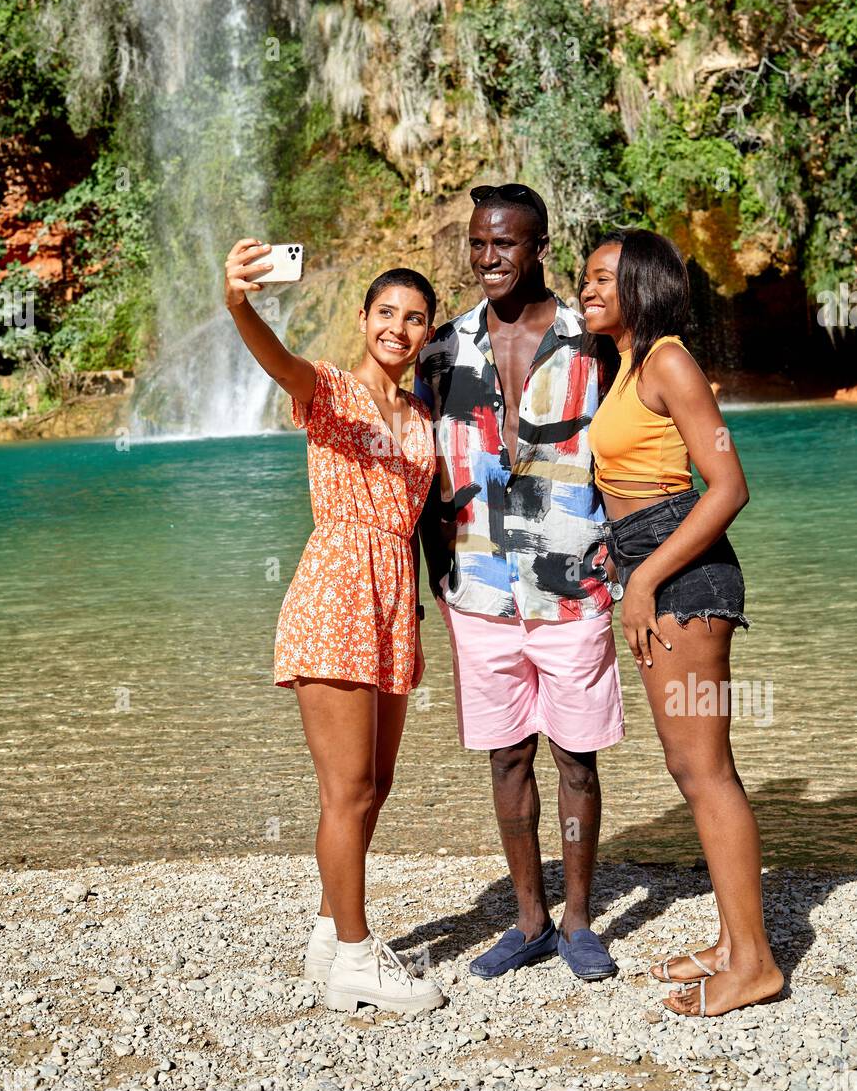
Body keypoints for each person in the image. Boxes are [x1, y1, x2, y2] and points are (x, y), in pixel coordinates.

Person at [224, 238, 444, 1014]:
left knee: (374, 785)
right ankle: (356, 961)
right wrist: (240, 304)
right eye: (387, 312)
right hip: (337, 593)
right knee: (346, 792)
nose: (399, 327)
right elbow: (275, 359)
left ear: (427, 333)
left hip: (392, 602)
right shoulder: (331, 390)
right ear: (364, 318)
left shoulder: (421, 414)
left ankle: (328, 933)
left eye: (415, 318)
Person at [415, 184, 625, 983]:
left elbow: (636, 453)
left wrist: (636, 569)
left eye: (504, 244)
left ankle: (578, 922)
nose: (487, 260)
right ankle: (529, 920)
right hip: (478, 591)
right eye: (477, 245)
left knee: (577, 759)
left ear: (540, 246)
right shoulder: (442, 348)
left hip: (573, 583)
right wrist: (430, 569)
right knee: (506, 759)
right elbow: (417, 467)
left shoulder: (590, 341)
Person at [582, 227, 784, 1017]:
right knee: (690, 766)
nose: (588, 288)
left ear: (641, 283)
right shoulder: (627, 364)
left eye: (603, 277)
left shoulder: (667, 359)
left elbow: (728, 483)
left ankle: (756, 963)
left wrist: (647, 579)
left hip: (685, 574)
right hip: (650, 562)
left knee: (706, 770)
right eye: (585, 277)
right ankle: (736, 943)